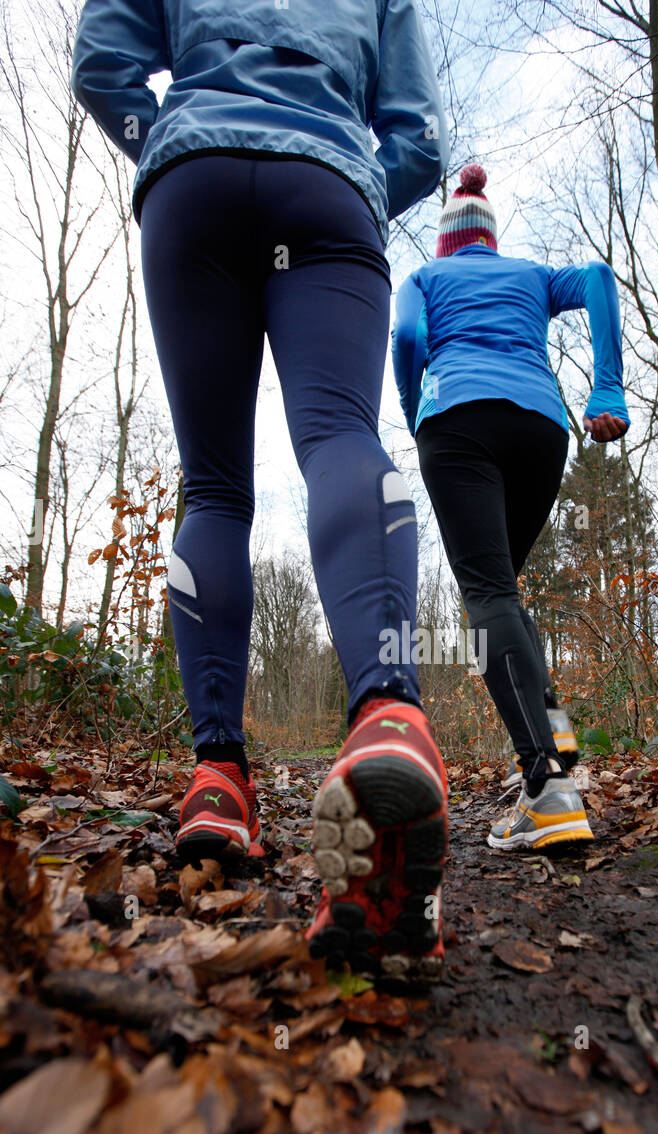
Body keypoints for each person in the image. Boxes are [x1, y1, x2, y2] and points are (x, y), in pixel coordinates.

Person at [72, 0, 451, 983]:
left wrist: (168, 141)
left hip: (190, 187)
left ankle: (216, 779)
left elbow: (103, 66)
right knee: (336, 435)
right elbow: (418, 134)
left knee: (213, 490)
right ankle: (387, 715)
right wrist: (363, 178)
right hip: (325, 186)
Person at [392, 165, 629, 851]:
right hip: (541, 427)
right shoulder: (528, 276)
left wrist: (417, 410)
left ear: (444, 245)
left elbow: (407, 341)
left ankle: (549, 786)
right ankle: (550, 729)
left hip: (458, 423)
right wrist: (606, 391)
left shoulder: (425, 280)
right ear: (490, 241)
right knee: (504, 593)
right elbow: (598, 278)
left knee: (489, 594)